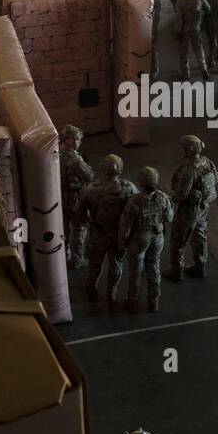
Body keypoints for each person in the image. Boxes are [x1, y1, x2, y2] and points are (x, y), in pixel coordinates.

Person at [81, 154, 138, 303]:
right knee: (116, 265)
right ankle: (112, 292)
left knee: (94, 264)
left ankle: (92, 289)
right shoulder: (130, 188)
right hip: (118, 236)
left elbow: (81, 211)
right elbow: (137, 211)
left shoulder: (91, 189)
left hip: (98, 233)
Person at [119, 167, 174, 313]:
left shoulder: (135, 202)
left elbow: (125, 226)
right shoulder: (163, 198)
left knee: (136, 270)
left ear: (141, 182)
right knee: (154, 267)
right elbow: (169, 217)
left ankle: (132, 302)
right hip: (157, 237)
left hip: (139, 238)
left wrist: (122, 242)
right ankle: (153, 301)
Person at [165, 135, 218, 282]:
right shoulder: (208, 162)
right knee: (200, 236)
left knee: (178, 240)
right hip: (203, 207)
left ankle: (177, 271)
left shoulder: (189, 169)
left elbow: (181, 194)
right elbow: (216, 179)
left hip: (188, 210)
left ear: (188, 149)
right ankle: (200, 267)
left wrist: (168, 199)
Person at [58, 125, 93, 269]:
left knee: (63, 227)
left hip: (59, 195)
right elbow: (89, 175)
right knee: (79, 228)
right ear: (70, 140)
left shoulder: (56, 151)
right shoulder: (74, 159)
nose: (80, 142)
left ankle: (63, 255)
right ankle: (77, 260)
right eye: (78, 140)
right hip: (74, 197)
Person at [173, 0, 212, 82]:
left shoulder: (181, 0)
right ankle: (204, 70)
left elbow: (179, 19)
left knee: (184, 53)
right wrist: (201, 14)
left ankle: (185, 73)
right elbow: (208, 8)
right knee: (199, 50)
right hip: (196, 28)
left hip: (184, 31)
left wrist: (177, 31)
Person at [138, 0, 160, 79]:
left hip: (149, 28)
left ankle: (154, 71)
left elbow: (154, 17)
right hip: (149, 27)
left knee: (152, 49)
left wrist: (152, 30)